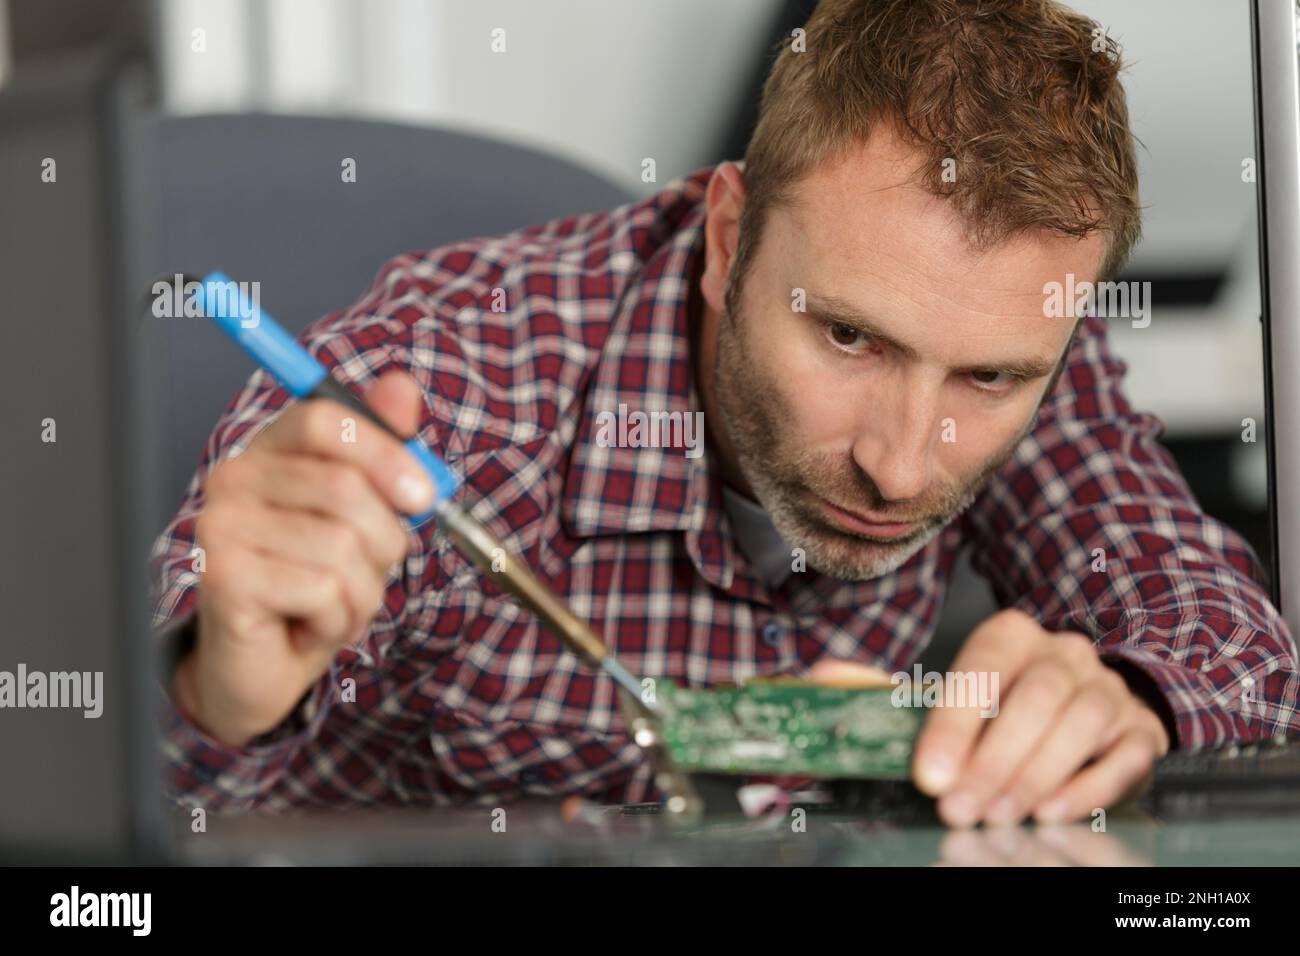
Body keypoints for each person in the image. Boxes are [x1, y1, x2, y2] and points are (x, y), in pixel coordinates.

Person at [151, 0, 1298, 827]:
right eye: (848, 336)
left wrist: (1129, 694)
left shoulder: (1003, 330)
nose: (901, 466)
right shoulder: (444, 393)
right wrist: (213, 691)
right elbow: (102, 814)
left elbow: (1221, 630)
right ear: (728, 233)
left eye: (988, 381)